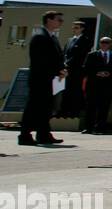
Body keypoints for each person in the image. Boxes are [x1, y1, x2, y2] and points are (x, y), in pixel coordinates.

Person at [18, 10, 67, 146]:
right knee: (34, 107)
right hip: (40, 79)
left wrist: (62, 69)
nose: (61, 23)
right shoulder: (39, 36)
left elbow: (58, 57)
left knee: (46, 108)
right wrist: (57, 71)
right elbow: (40, 60)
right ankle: (24, 135)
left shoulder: (53, 37)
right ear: (49, 20)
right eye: (59, 20)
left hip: (50, 79)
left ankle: (44, 134)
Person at [82, 36, 112, 133]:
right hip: (93, 85)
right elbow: (86, 68)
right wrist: (96, 73)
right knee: (91, 106)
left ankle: (100, 127)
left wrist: (110, 73)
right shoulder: (92, 55)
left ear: (110, 44)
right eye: (103, 42)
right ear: (100, 43)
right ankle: (88, 127)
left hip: (107, 85)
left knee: (104, 106)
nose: (104, 44)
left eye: (107, 42)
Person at [59, 20, 89, 120]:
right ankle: (64, 112)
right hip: (66, 70)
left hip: (77, 71)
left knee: (75, 92)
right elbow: (65, 53)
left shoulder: (85, 40)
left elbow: (80, 55)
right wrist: (63, 64)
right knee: (65, 91)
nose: (74, 29)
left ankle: (74, 112)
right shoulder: (70, 40)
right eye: (73, 27)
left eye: (76, 27)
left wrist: (68, 63)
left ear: (82, 29)